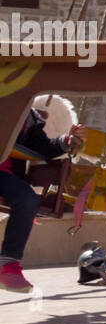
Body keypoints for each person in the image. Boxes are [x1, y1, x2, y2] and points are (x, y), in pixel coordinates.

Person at [0, 105, 85, 292]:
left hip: (3, 176)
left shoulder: (25, 112)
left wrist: (67, 140)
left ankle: (8, 267)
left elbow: (42, 147)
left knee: (27, 199)